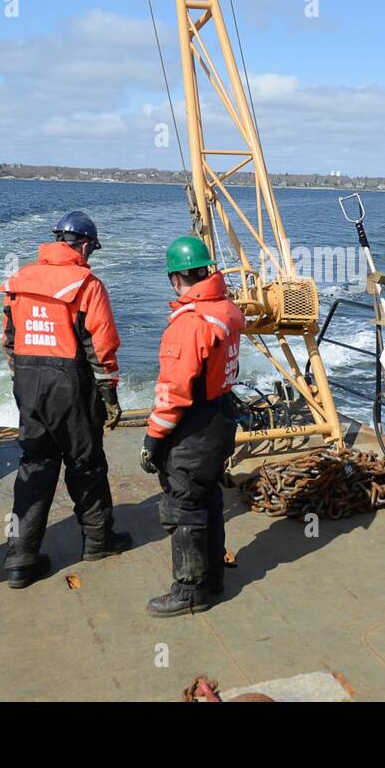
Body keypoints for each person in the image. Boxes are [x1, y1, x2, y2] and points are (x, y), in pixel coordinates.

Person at [0, 210, 128, 588]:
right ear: (85, 245)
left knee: (34, 465)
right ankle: (98, 541)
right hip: (69, 384)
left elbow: (9, 337)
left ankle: (20, 560)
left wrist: (25, 380)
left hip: (27, 381)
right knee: (85, 463)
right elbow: (100, 346)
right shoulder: (87, 283)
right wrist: (110, 396)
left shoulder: (19, 279)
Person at [140, 235, 244, 617]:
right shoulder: (227, 310)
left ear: (174, 278)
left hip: (195, 424)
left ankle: (189, 589)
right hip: (221, 414)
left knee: (184, 505)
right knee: (208, 497)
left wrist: (153, 438)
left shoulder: (190, 324)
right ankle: (212, 576)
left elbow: (174, 391)